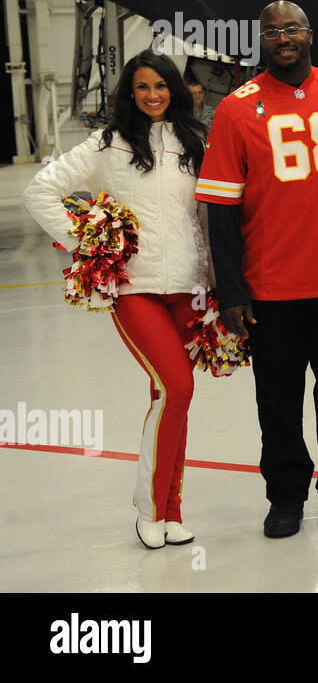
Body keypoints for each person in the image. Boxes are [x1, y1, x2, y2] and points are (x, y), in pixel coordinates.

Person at [196, 1, 318, 539]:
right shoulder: (235, 108)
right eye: (272, 32)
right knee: (278, 400)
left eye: (292, 28)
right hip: (270, 288)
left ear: (310, 35)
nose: (283, 38)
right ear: (261, 41)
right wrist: (231, 289)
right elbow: (221, 209)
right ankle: (286, 494)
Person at [24, 50, 210, 550]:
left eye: (161, 86)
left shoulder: (195, 140)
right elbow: (40, 191)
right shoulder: (107, 142)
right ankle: (148, 508)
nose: (153, 95)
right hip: (136, 289)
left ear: (175, 89)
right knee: (176, 388)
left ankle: (171, 510)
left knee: (172, 398)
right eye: (142, 87)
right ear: (130, 93)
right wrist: (89, 242)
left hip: (190, 291)